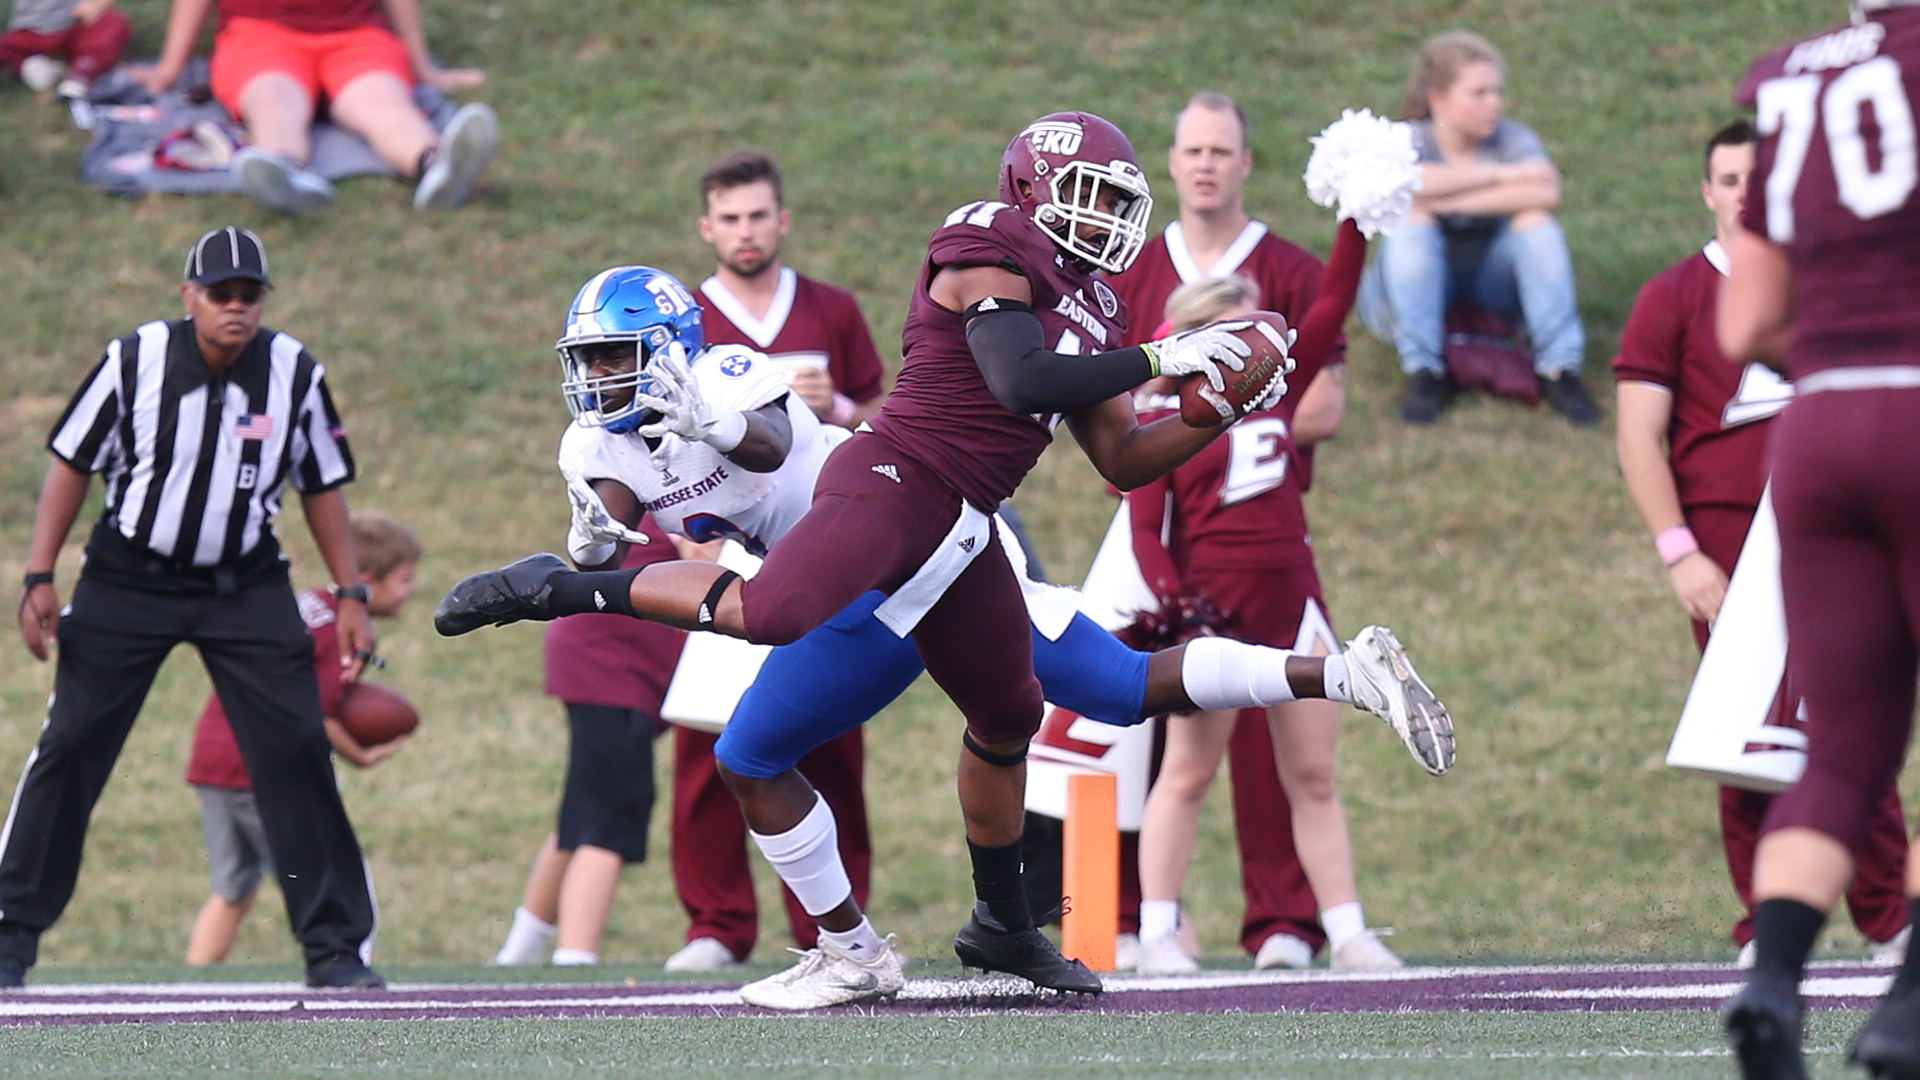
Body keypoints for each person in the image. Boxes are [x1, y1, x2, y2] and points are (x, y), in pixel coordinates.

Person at [437, 112, 1451, 1005]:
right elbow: (1017, 380)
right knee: (770, 638)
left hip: (960, 529)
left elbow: (1122, 460)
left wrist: (1212, 412)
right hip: (895, 483)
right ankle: (564, 599)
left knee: (1030, 713)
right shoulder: (987, 243)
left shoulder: (1098, 305)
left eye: (1116, 201)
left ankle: (1009, 921)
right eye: (1089, 194)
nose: (1104, 218)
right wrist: (1162, 357)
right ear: (1032, 189)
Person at [7, 226, 383, 990]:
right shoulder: (135, 360)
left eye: (249, 295)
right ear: (190, 296)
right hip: (128, 578)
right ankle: (8, 935)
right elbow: (71, 463)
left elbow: (322, 486)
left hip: (243, 582)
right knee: (72, 741)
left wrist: (350, 593)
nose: (235, 308)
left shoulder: (294, 371)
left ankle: (335, 951)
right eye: (220, 294)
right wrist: (39, 574)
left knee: (296, 745)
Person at [1614, 120, 1910, 972]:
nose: (1745, 193)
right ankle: (1766, 928)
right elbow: (1639, 435)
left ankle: (1888, 918)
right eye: (1729, 178)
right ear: (1707, 190)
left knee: (1853, 721)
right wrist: (1679, 550)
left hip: (1832, 527)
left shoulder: (1829, 285)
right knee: (1744, 733)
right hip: (1727, 541)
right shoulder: (1674, 294)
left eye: (1759, 176)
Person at [1716, 4, 1920, 1077]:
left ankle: (1773, 988)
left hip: (1821, 424)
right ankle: (1911, 1002)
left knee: (1841, 749)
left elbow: (1744, 326)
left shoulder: (1787, 78)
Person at [1108, 91, 1355, 973]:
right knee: (1163, 761)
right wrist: (1178, 601)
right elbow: (1133, 495)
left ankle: (1324, 926)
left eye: (1222, 149)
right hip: (1193, 577)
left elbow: (1328, 330)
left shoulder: (1275, 366)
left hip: (1282, 577)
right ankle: (1144, 926)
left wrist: (1359, 218)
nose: (1207, 163)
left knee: (1303, 765)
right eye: (1192, 149)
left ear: (1246, 162)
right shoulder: (1159, 395)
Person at [1125, 268, 1402, 975]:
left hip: (1295, 607)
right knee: (1187, 775)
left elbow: (1332, 301)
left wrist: (1357, 221)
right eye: (1250, 329)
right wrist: (1178, 608)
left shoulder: (1277, 392)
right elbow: (1146, 533)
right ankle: (1157, 933)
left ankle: (1348, 932)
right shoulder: (1160, 419)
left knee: (1313, 776)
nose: (1269, 343)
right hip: (1215, 617)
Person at [658, 148, 886, 973]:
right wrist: (680, 532)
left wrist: (842, 405)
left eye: (758, 215)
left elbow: (886, 416)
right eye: (730, 218)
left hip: (825, 545)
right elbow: (647, 442)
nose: (746, 231)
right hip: (725, 547)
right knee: (711, 741)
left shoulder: (830, 310)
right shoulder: (683, 322)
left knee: (830, 738)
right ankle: (716, 923)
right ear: (706, 228)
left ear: (782, 220)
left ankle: (835, 924)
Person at [186, 510, 422, 966]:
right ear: (366, 582)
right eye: (405, 580)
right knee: (335, 876)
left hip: (215, 756)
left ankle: (193, 979)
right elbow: (316, 712)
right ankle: (349, 969)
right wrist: (360, 755)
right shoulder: (339, 628)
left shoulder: (308, 604)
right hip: (260, 766)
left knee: (234, 887)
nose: (412, 590)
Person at [1356, 30, 1596, 426]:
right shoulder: (1405, 140)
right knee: (1412, 221)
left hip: (1489, 290)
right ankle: (1426, 371)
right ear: (1438, 98)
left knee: (1536, 223)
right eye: (1479, 93)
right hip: (1401, 304)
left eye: (1497, 92)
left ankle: (1559, 370)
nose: (1494, 104)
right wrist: (1501, 175)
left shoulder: (1513, 138)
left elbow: (1544, 192)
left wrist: (1448, 202)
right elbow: (1401, 184)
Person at [492, 522, 688, 968]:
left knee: (584, 812)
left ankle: (521, 950)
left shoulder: (649, 506)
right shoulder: (687, 506)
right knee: (611, 818)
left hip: (597, 656)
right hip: (613, 665)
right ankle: (575, 955)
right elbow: (715, 558)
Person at [131, 0, 496, 215]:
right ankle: (285, 171)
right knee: (273, 101)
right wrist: (169, 69)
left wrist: (422, 67)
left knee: (382, 102)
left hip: (355, 37)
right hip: (259, 38)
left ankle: (435, 163)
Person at [2, 0, 128, 100]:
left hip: (75, 24)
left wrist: (98, 5)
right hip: (29, 30)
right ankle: (32, 67)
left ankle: (81, 74)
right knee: (5, 46)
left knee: (112, 23)